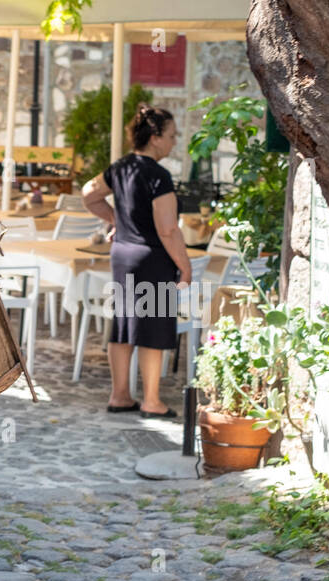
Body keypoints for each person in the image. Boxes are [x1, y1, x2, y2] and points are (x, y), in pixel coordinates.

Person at [82, 104, 192, 418]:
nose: (174, 141)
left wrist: (118, 220)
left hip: (123, 256)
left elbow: (88, 194)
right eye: (171, 135)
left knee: (123, 324)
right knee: (153, 328)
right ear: (155, 137)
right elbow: (168, 229)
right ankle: (152, 401)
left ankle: (120, 396)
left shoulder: (120, 167)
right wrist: (185, 266)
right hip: (152, 258)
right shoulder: (158, 175)